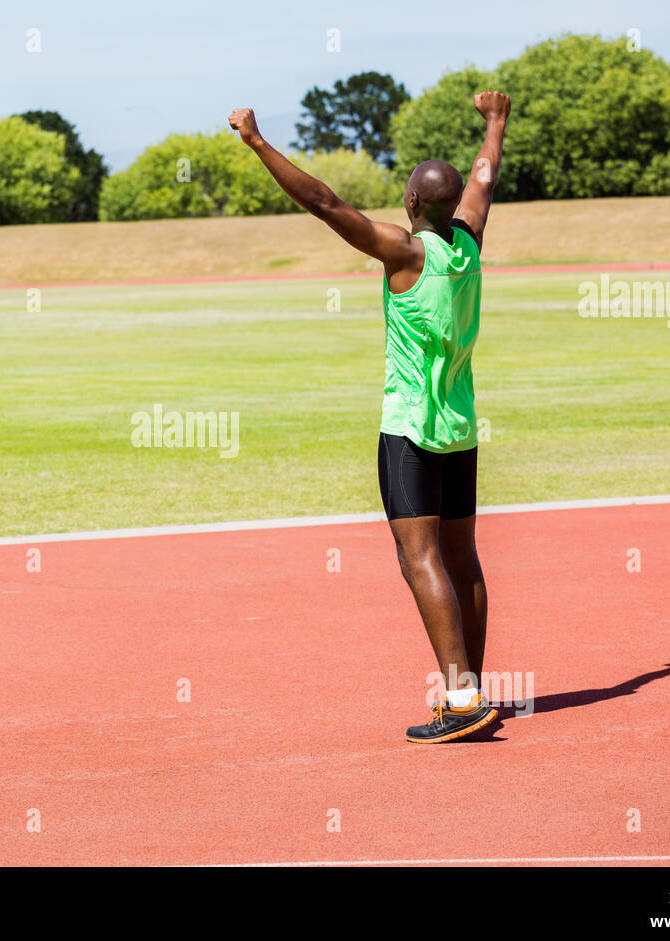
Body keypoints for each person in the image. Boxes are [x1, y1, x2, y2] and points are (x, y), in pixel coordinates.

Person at [229, 90, 511, 743]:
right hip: (461, 428)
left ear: (412, 204)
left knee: (420, 558)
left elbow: (325, 203)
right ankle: (469, 686)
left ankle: (462, 695)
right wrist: (496, 120)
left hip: (411, 427)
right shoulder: (467, 242)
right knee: (462, 555)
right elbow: (484, 178)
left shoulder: (406, 254)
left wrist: (257, 142)